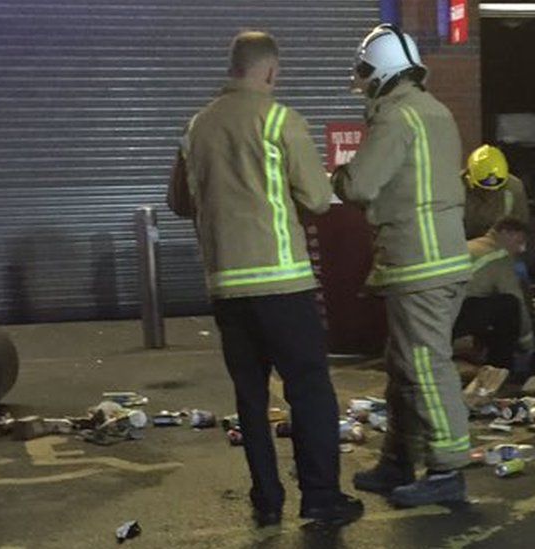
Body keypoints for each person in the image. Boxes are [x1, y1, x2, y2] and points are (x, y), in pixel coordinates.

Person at [166, 31, 362, 527]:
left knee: (251, 397)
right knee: (310, 389)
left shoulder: (196, 127)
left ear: (233, 68)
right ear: (270, 71)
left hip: (227, 288)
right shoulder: (280, 120)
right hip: (283, 282)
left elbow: (178, 203)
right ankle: (320, 498)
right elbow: (318, 200)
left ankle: (267, 500)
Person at [331, 24, 472, 508]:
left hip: (419, 263)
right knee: (404, 367)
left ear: (382, 73)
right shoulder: (434, 111)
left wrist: (336, 174)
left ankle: (447, 470)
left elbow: (361, 185)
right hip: (445, 259)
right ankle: (397, 460)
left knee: (425, 367)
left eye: (367, 76)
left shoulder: (396, 116)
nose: (364, 86)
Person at [455, 217, 534, 373]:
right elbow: (516, 300)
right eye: (519, 242)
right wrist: (528, 344)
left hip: (440, 308)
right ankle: (500, 371)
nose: (522, 249)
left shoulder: (473, 245)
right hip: (454, 313)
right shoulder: (499, 256)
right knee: (508, 306)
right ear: (505, 233)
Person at [463, 145, 529, 240]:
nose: (490, 191)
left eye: (496, 188)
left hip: (499, 246)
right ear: (469, 178)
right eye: (484, 188)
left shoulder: (514, 188)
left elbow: (520, 227)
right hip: (463, 244)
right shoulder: (455, 187)